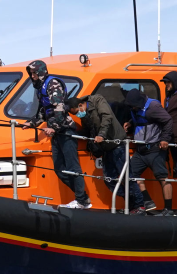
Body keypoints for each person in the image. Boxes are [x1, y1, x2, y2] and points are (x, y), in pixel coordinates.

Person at [22, 60, 91, 209]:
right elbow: (43, 111)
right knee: (59, 169)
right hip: (56, 133)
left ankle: (81, 201)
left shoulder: (52, 83)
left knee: (73, 167)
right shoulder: (40, 88)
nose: (32, 76)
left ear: (40, 72)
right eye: (31, 73)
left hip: (65, 130)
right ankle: (83, 198)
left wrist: (53, 126)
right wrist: (32, 123)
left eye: (34, 73)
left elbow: (59, 107)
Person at [67, 96, 145, 213]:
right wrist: (69, 133)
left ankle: (140, 205)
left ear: (80, 105)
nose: (78, 115)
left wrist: (102, 135)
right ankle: (130, 201)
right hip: (106, 149)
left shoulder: (97, 100)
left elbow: (107, 117)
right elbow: (87, 130)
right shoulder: (85, 115)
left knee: (127, 177)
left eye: (77, 112)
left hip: (117, 144)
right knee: (109, 179)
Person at [125, 88, 175, 215]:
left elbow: (168, 120)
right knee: (130, 174)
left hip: (155, 150)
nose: (133, 108)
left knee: (163, 178)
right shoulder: (135, 108)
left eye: (134, 106)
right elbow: (140, 119)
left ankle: (168, 209)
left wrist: (165, 139)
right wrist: (130, 124)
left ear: (139, 102)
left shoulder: (153, 107)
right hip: (140, 151)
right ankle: (147, 201)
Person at [162, 72, 177, 183]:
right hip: (173, 140)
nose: (166, 84)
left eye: (168, 82)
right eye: (165, 82)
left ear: (175, 82)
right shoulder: (168, 97)